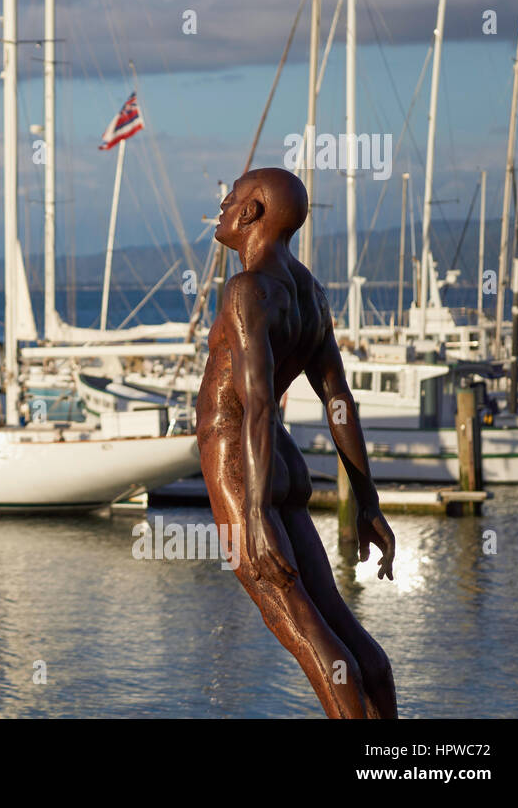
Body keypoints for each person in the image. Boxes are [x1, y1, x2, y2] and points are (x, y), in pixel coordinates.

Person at [196, 167, 397, 719]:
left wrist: (256, 511)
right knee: (340, 627)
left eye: (230, 196)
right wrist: (368, 503)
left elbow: (258, 403)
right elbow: (339, 401)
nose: (222, 205)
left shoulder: (246, 291)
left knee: (301, 626)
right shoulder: (309, 294)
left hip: (242, 462)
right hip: (277, 459)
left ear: (251, 212)